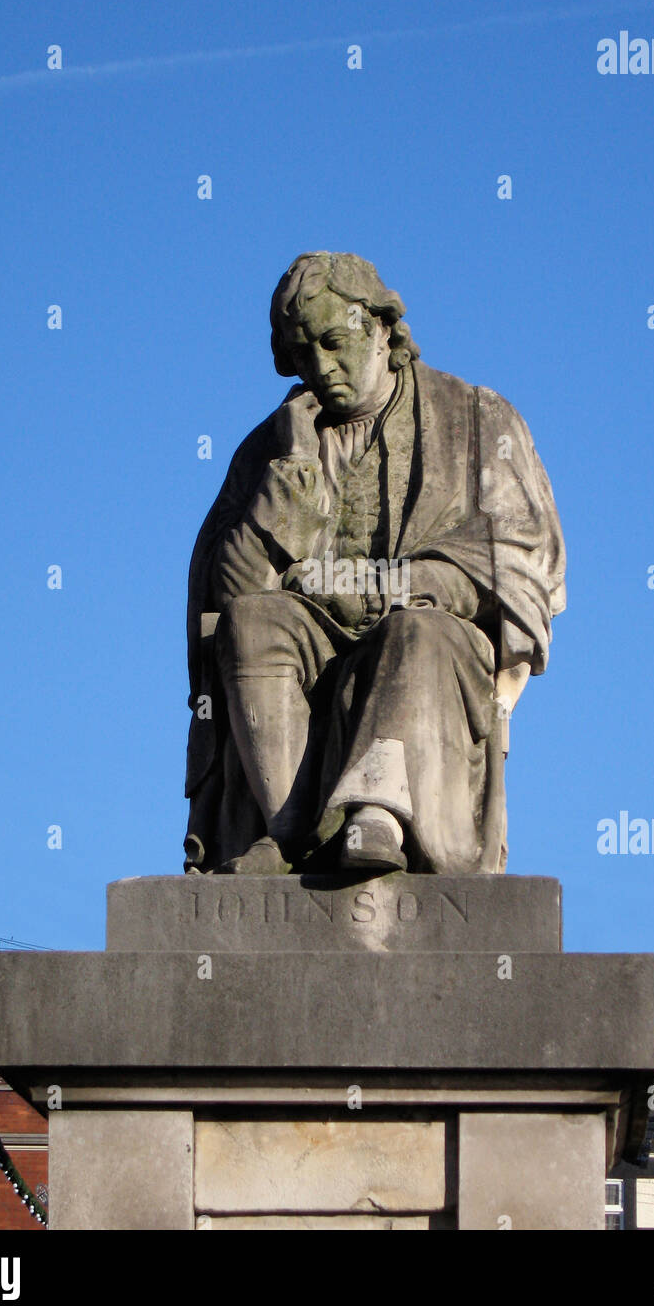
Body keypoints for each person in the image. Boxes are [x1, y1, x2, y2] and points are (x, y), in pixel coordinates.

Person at [183, 252, 566, 876]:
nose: (321, 368)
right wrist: (292, 478)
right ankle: (292, 840)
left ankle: (376, 815)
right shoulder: (270, 447)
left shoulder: (475, 417)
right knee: (253, 626)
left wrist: (400, 585)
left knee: (411, 632)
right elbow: (227, 595)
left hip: (429, 629)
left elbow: (519, 556)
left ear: (381, 326)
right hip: (313, 626)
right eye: (302, 355)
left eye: (334, 342)